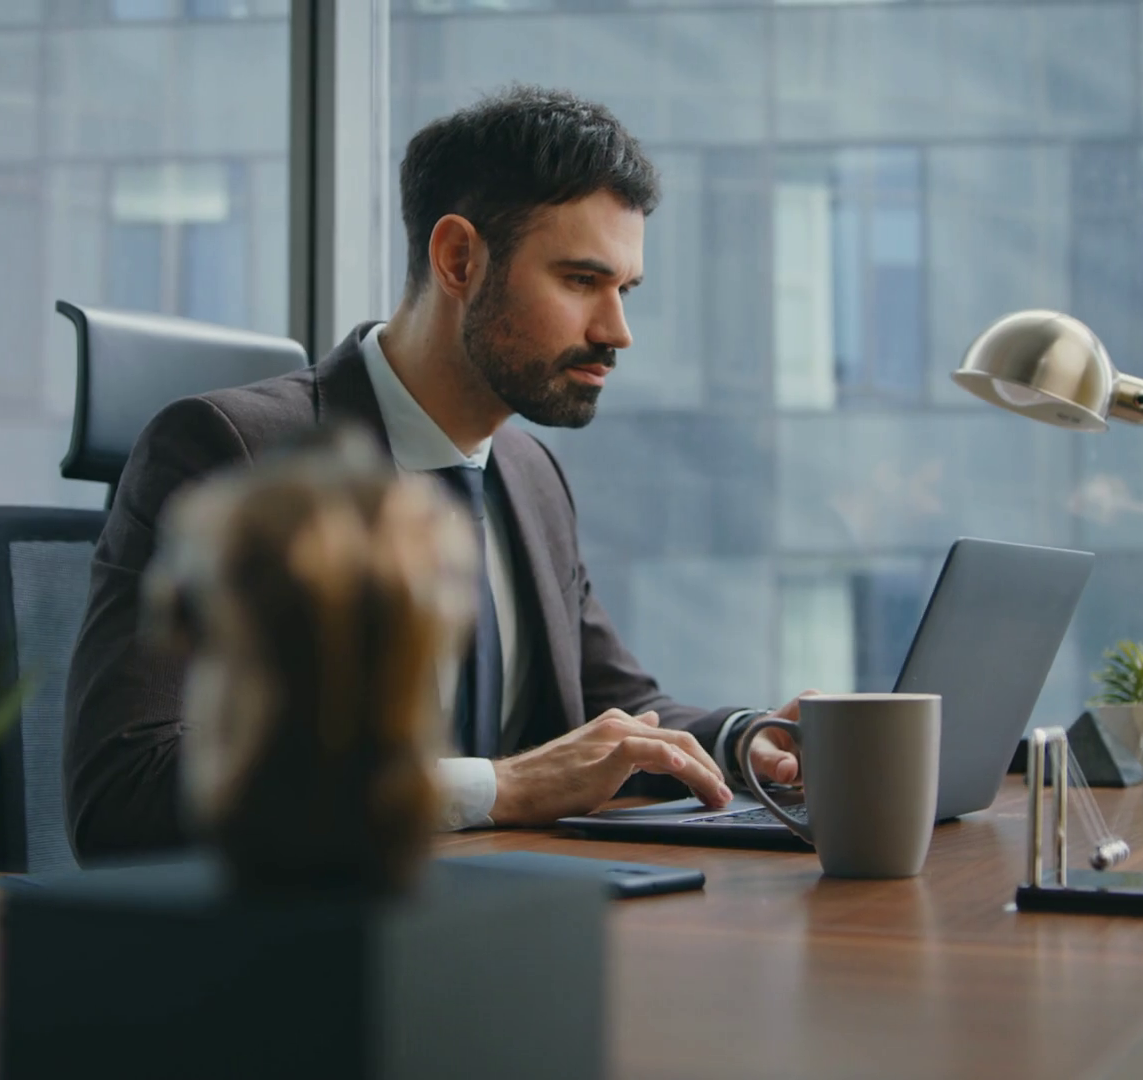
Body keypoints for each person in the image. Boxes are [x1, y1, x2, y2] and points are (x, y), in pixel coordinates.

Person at [64, 85, 812, 860]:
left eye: (625, 290)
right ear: (459, 259)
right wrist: (496, 787)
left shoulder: (530, 475)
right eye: (581, 281)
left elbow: (614, 710)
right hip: (304, 949)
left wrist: (747, 743)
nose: (616, 331)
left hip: (493, 925)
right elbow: (124, 791)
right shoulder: (226, 452)